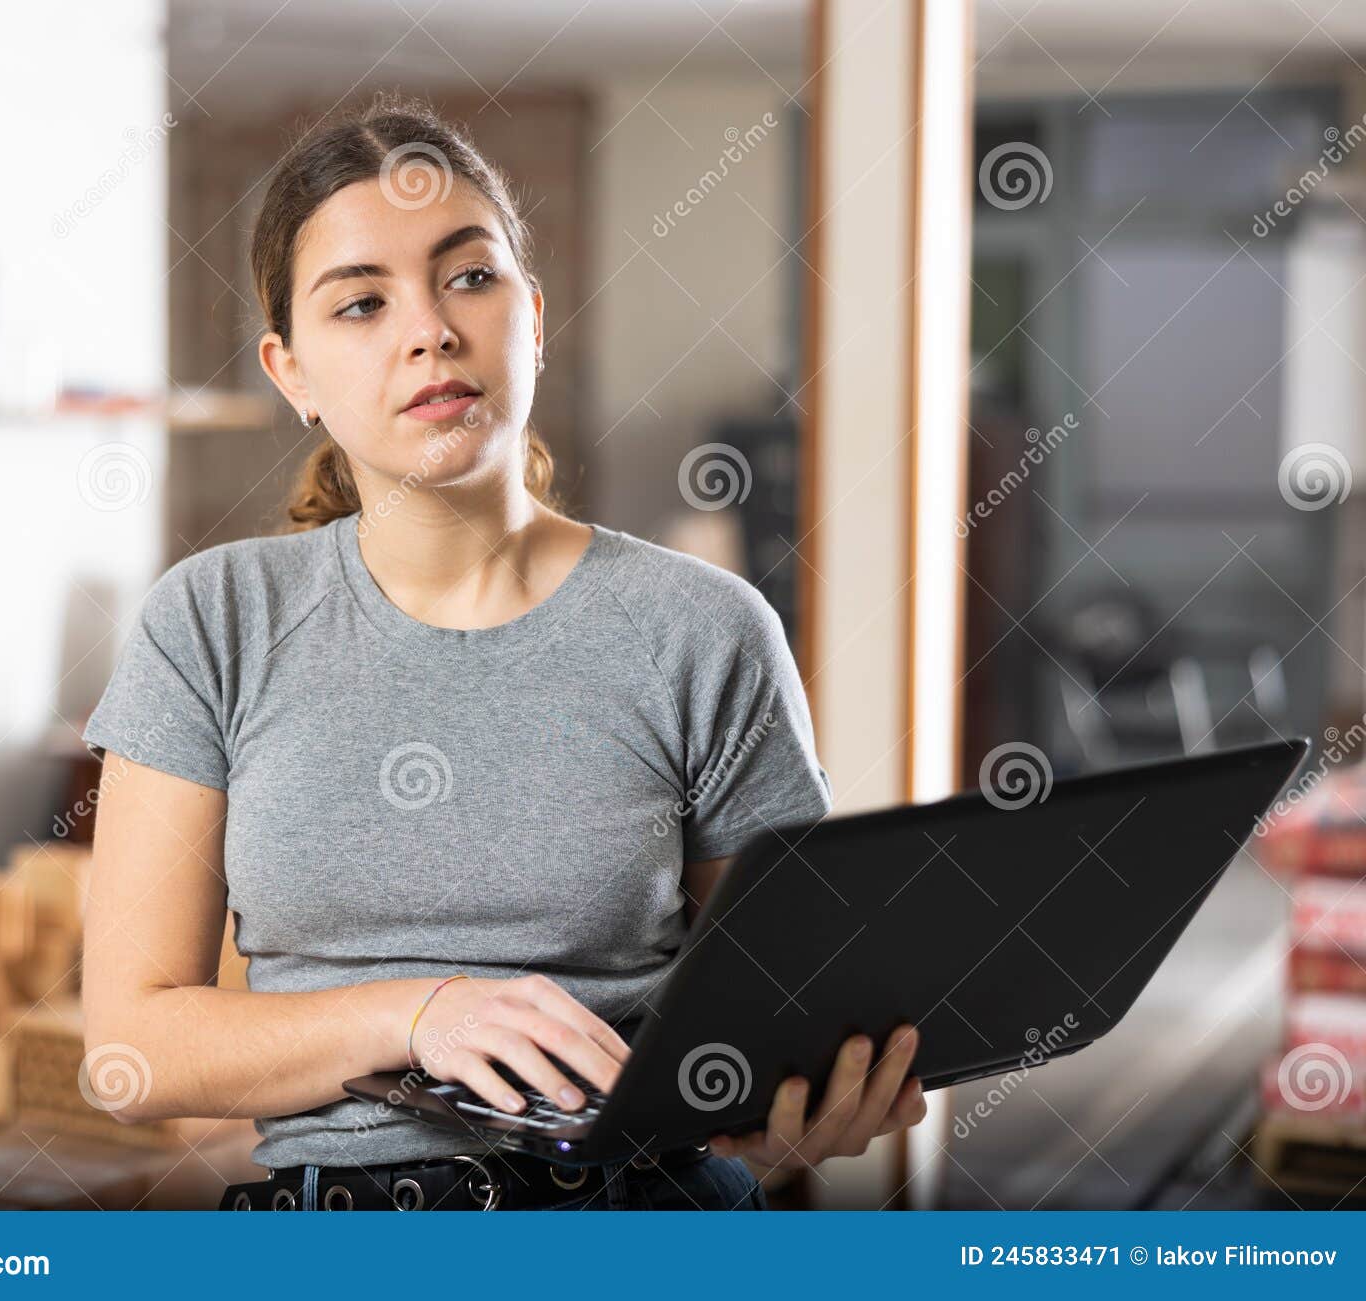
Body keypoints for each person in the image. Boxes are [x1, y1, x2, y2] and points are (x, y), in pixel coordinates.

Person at [79, 90, 927, 1212]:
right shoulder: (211, 621)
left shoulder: (703, 627)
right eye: (362, 303)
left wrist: (809, 1094)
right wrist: (418, 1012)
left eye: (468, 276)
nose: (429, 329)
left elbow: (783, 1004)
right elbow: (129, 1048)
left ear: (530, 315)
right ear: (291, 374)